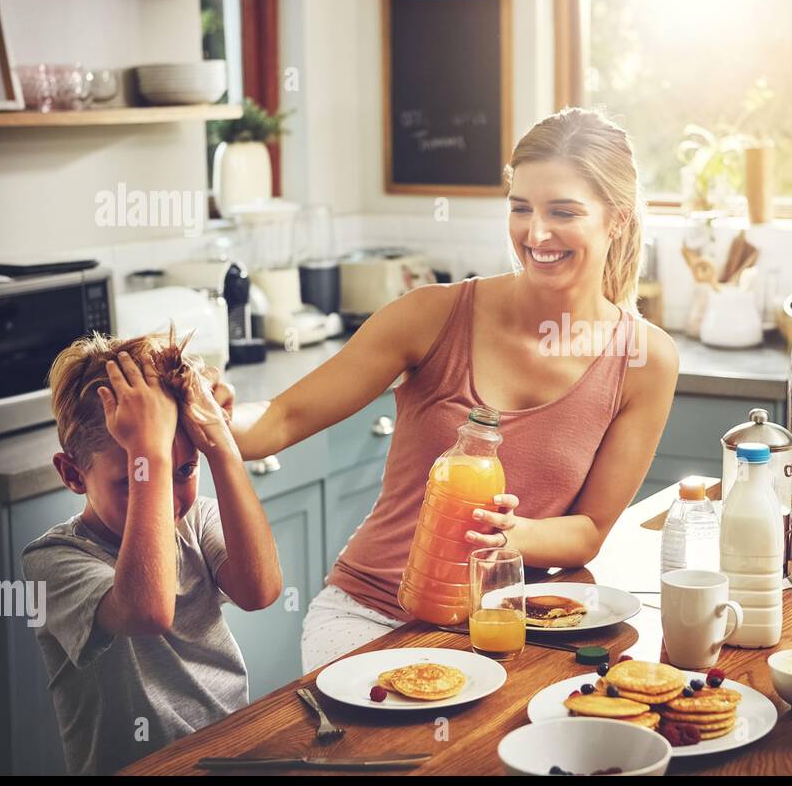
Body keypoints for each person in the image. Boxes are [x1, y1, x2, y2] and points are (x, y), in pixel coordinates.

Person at [228, 107, 680, 672]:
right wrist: (210, 415)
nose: (535, 234)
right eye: (521, 209)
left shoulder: (645, 360)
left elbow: (588, 531)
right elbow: (283, 416)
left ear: (615, 220)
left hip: (512, 625)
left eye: (562, 212)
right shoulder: (432, 315)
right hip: (370, 617)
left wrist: (515, 534)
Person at [23, 333, 281, 774]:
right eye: (133, 478)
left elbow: (261, 590)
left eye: (185, 470)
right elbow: (148, 612)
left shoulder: (195, 521)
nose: (167, 499)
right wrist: (151, 452)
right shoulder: (53, 560)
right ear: (72, 474)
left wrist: (218, 440)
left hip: (230, 752)